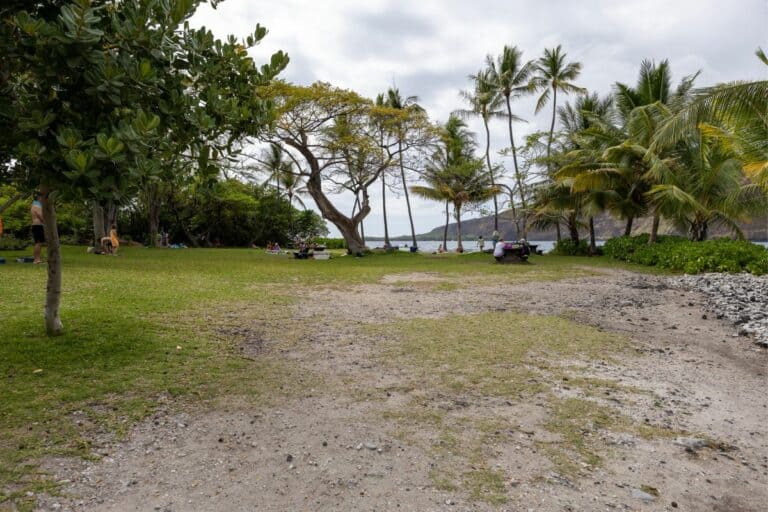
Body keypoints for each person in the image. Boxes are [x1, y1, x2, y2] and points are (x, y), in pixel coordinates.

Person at [30, 193, 45, 264]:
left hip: (37, 226)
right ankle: (36, 260)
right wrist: (46, 223)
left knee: (39, 243)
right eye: (41, 197)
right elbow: (40, 216)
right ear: (38, 197)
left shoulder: (34, 205)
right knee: (38, 243)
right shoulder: (37, 206)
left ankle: (37, 259)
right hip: (38, 225)